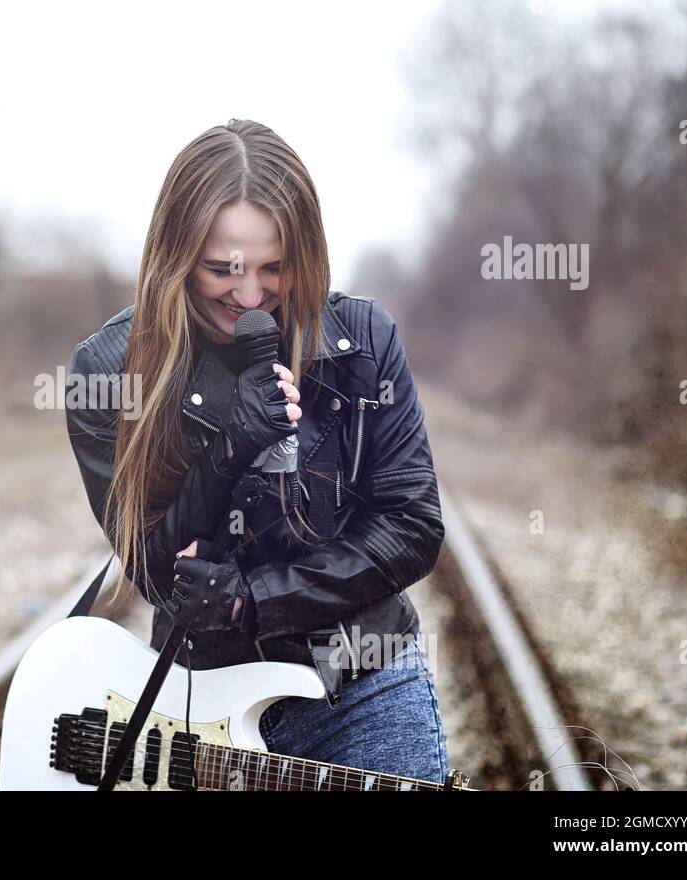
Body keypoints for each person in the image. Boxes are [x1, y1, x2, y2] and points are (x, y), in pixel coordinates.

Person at [63, 119, 450, 784]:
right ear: (174, 255)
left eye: (275, 268)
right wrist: (228, 449)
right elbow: (155, 571)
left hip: (361, 674)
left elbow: (413, 526)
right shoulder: (109, 372)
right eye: (223, 269)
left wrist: (256, 600)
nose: (249, 296)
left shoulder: (366, 339)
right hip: (202, 699)